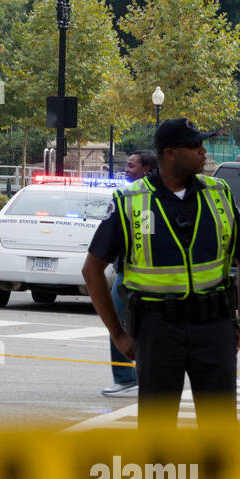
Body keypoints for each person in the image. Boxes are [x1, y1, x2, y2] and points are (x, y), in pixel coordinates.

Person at [82, 119, 240, 429]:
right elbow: (92, 269)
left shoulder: (219, 193)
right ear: (171, 153)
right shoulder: (131, 200)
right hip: (157, 329)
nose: (204, 152)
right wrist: (119, 335)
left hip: (214, 326)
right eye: (195, 146)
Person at [101, 149, 156, 397]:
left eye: (131, 166)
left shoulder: (137, 197)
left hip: (134, 273)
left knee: (120, 323)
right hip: (133, 269)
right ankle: (132, 376)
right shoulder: (132, 196)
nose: (126, 169)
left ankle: (126, 377)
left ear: (147, 169)